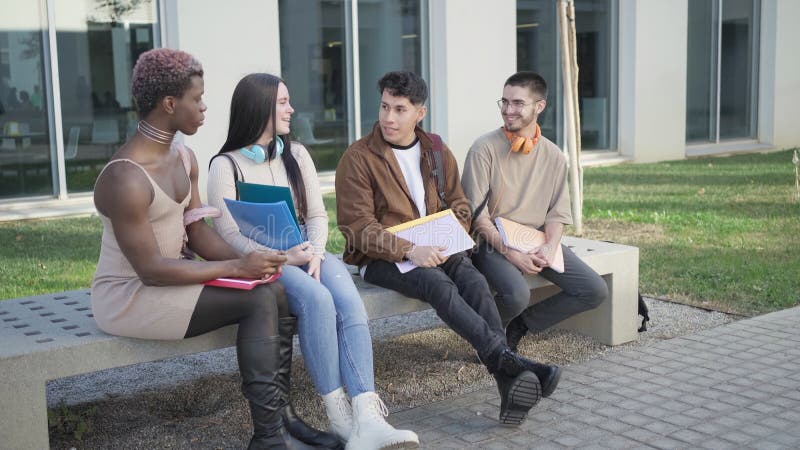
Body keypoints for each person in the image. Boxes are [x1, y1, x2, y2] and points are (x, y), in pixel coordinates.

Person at [91, 48, 322, 450]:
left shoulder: (184, 156)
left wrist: (258, 263)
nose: (203, 107)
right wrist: (238, 265)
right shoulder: (126, 178)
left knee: (274, 286)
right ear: (169, 104)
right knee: (259, 299)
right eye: (196, 99)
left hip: (170, 280)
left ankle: (282, 419)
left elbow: (197, 236)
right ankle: (268, 438)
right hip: (130, 296)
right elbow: (151, 271)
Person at [335, 70, 561, 426]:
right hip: (380, 256)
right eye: (384, 107)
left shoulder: (436, 150)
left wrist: (447, 234)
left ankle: (508, 377)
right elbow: (357, 227)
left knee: (473, 282)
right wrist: (410, 249)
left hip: (437, 247)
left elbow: (459, 205)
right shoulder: (359, 157)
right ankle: (508, 364)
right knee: (437, 284)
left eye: (400, 109)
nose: (388, 118)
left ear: (419, 113)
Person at [207, 73, 419, 450]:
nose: (291, 109)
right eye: (283, 102)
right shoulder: (225, 166)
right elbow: (227, 233)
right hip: (266, 262)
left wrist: (316, 253)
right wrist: (282, 258)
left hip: (308, 250)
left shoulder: (297, 154)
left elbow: (319, 215)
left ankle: (368, 417)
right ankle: (340, 421)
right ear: (260, 108)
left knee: (348, 300)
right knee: (318, 300)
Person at [461, 71, 608, 354]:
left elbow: (556, 215)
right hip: (490, 243)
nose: (507, 110)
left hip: (535, 239)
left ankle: (521, 325)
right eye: (504, 102)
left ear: (539, 107)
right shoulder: (484, 149)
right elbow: (475, 217)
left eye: (517, 103)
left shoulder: (554, 156)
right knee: (517, 294)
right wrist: (511, 252)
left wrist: (551, 247)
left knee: (594, 290)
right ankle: (485, 339)